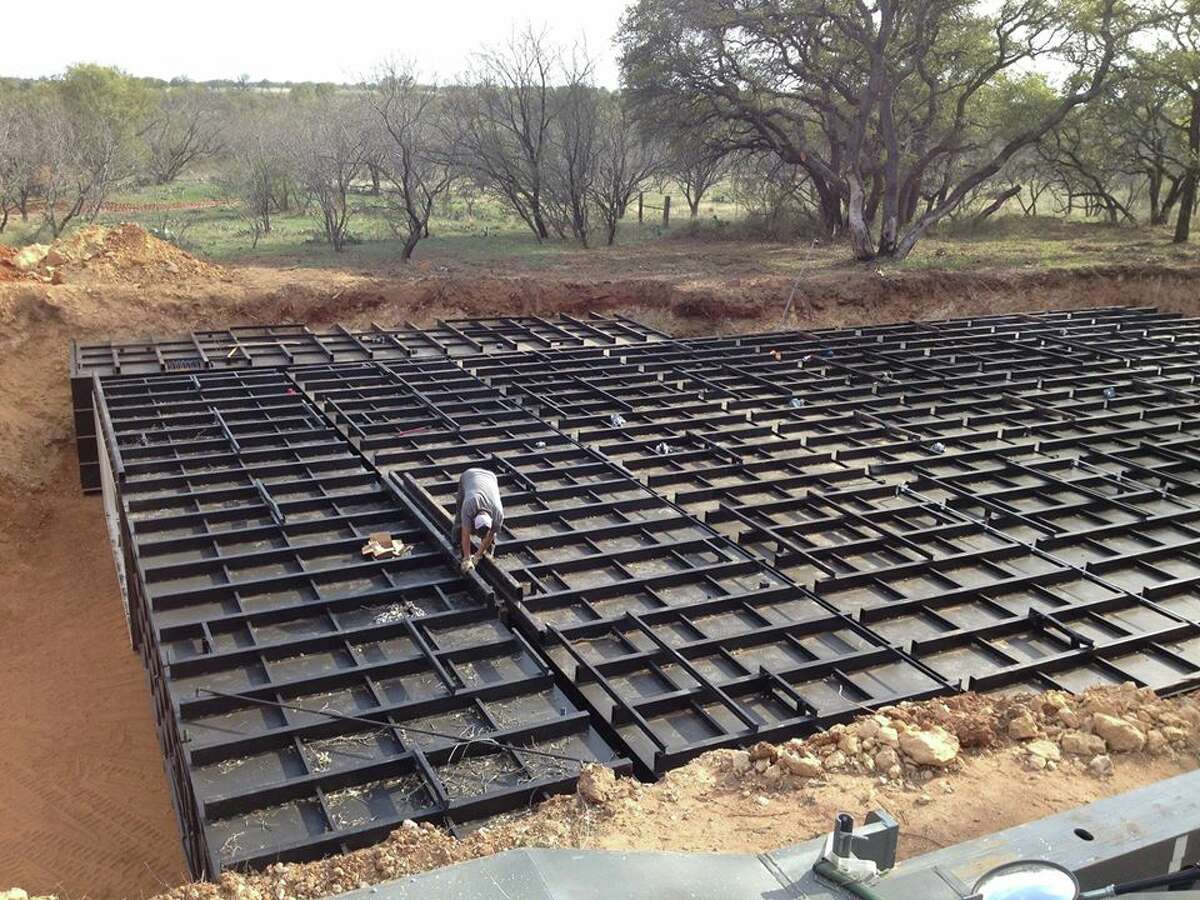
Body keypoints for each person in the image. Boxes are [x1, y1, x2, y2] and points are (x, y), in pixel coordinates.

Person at [452, 467, 504, 573]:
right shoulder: (469, 505)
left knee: (490, 539)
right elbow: (465, 534)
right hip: (469, 476)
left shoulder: (498, 515)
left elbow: (491, 534)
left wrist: (478, 555)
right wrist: (467, 558)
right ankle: (456, 542)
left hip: (491, 477)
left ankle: (486, 551)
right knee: (460, 519)